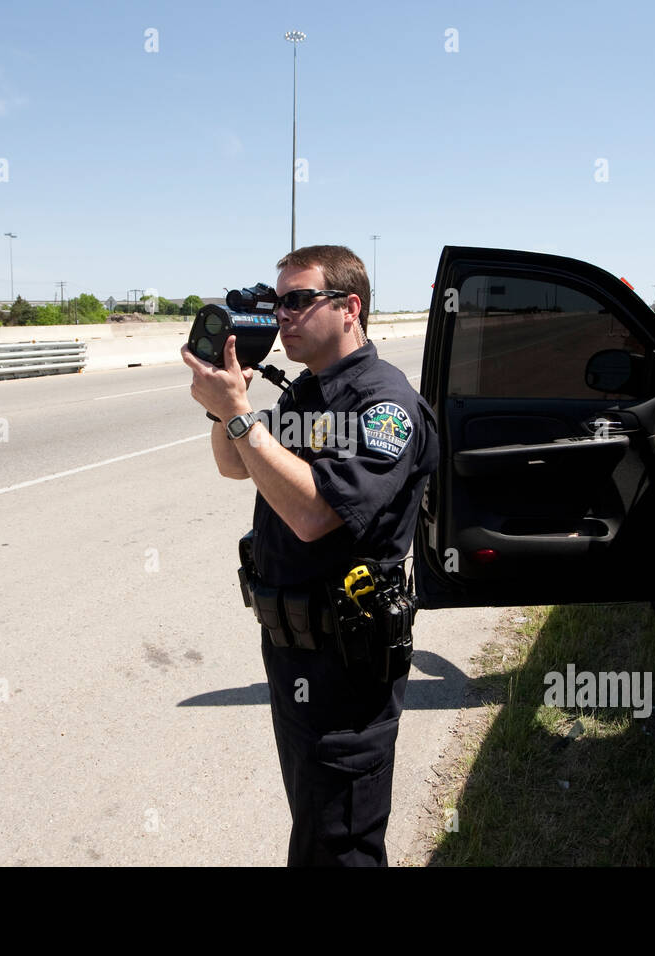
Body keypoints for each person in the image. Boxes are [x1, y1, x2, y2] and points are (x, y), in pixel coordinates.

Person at [181, 244, 438, 866]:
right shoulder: (308, 393)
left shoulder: (385, 406)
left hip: (348, 664)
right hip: (291, 649)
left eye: (298, 301)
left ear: (350, 308)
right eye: (276, 303)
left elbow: (311, 514)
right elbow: (232, 467)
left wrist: (240, 416)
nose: (282, 317)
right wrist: (229, 405)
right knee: (314, 826)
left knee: (341, 840)